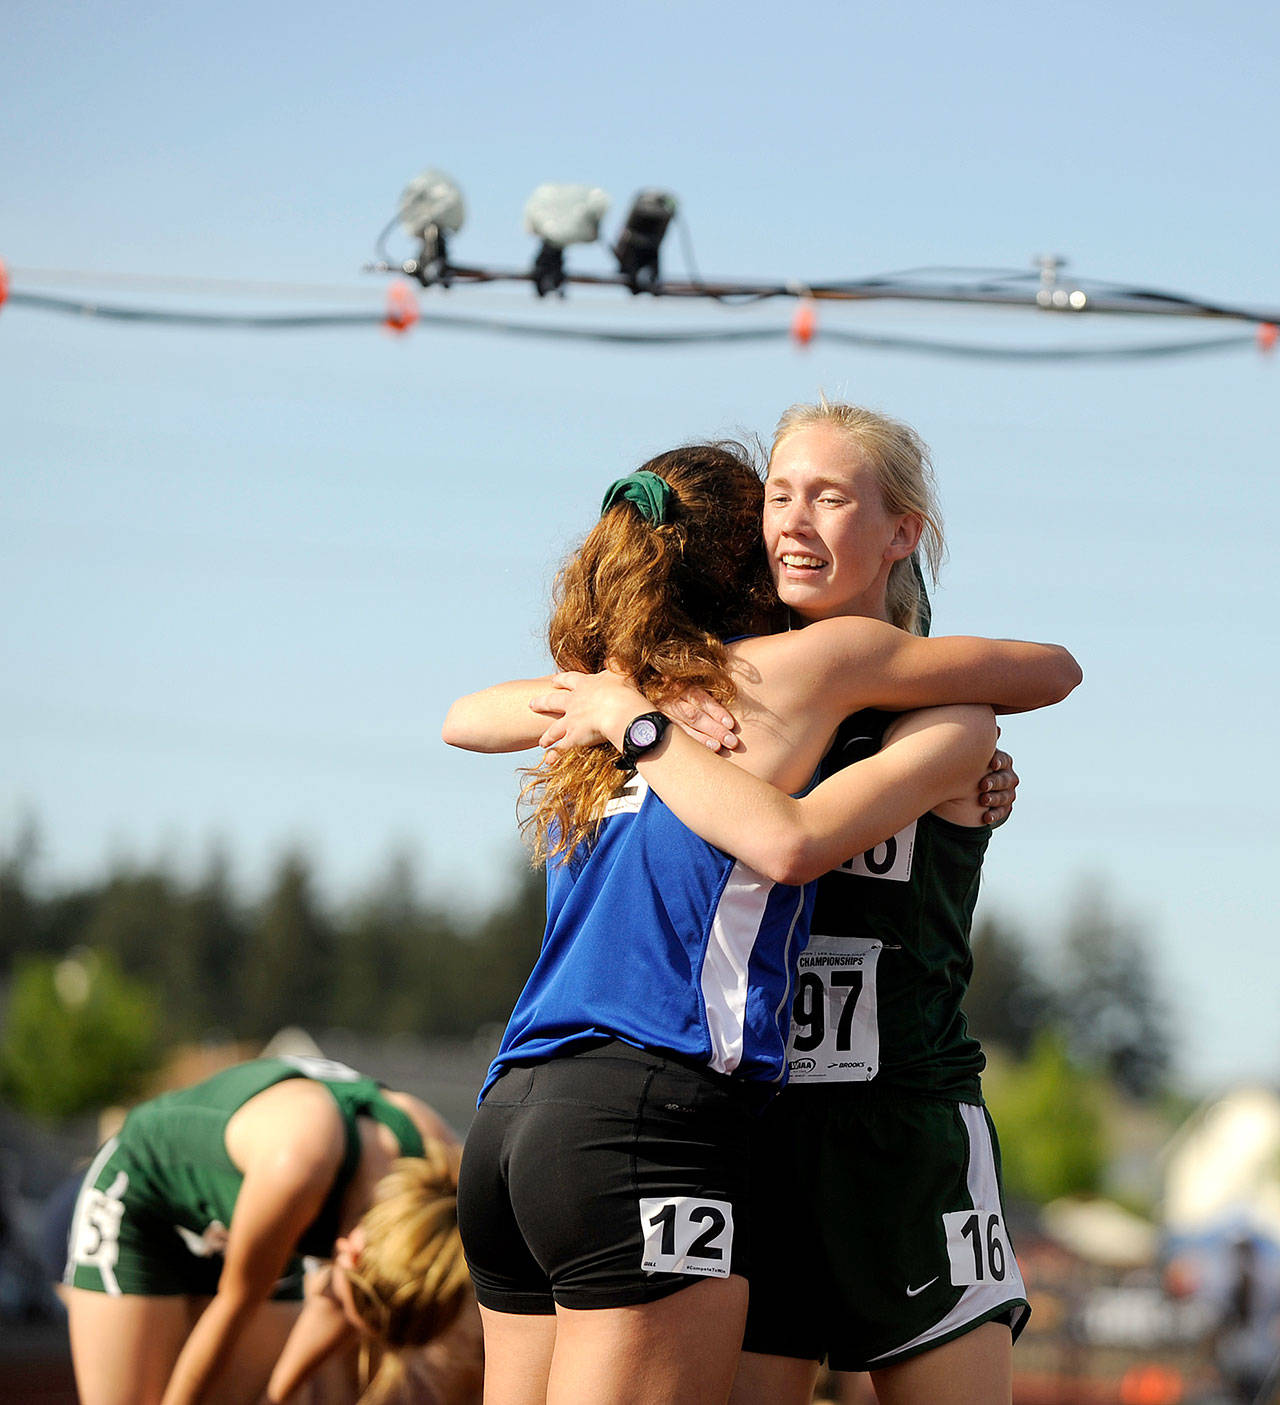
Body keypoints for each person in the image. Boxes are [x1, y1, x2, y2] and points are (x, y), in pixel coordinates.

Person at [445, 438, 1079, 1405]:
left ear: (900, 532)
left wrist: (629, 705)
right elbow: (790, 842)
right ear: (741, 555)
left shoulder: (896, 698)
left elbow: (1051, 668)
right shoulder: (714, 692)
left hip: (878, 1117)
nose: (794, 517)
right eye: (779, 496)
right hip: (724, 1118)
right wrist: (641, 712)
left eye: (827, 497)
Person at [62, 1053, 478, 1405]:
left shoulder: (438, 1205)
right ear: (348, 1253)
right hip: (145, 1202)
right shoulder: (298, 1163)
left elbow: (337, 1307)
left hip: (252, 1226)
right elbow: (236, 1306)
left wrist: (277, 1395)